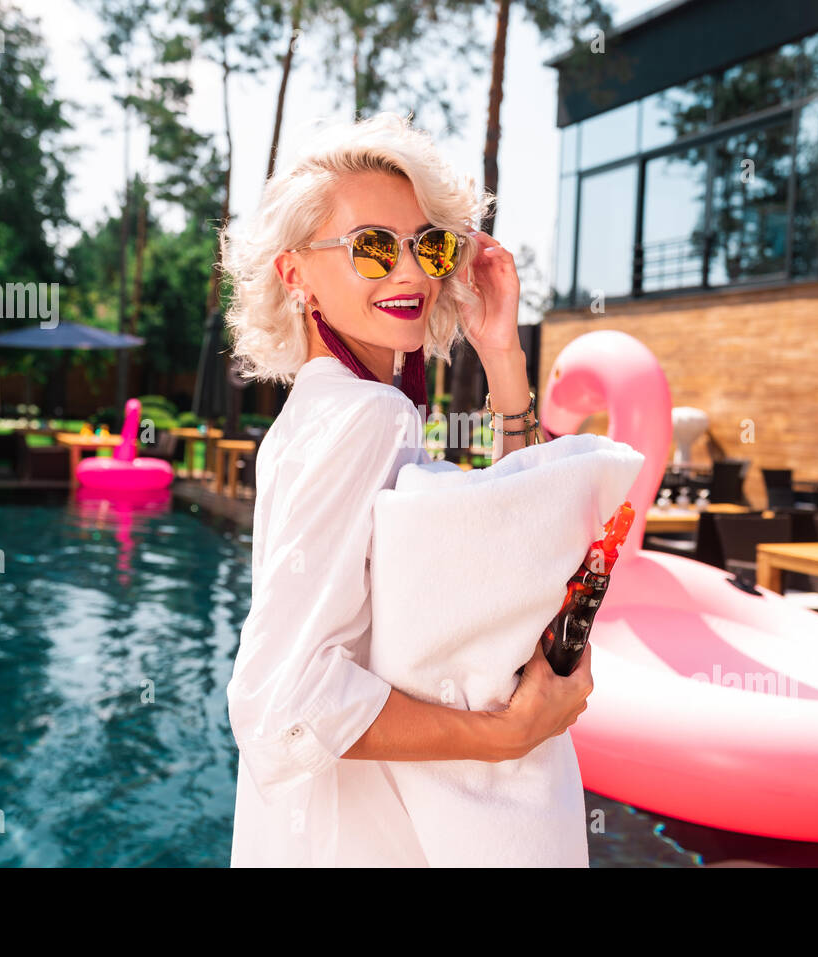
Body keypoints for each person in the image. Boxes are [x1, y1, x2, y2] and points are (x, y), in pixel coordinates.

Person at [221, 112, 594, 866]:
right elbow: (281, 699)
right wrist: (506, 737)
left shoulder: (316, 414)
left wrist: (500, 355)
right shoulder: (370, 415)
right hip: (362, 832)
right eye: (371, 247)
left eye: (428, 245)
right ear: (295, 273)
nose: (411, 274)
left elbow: (518, 534)